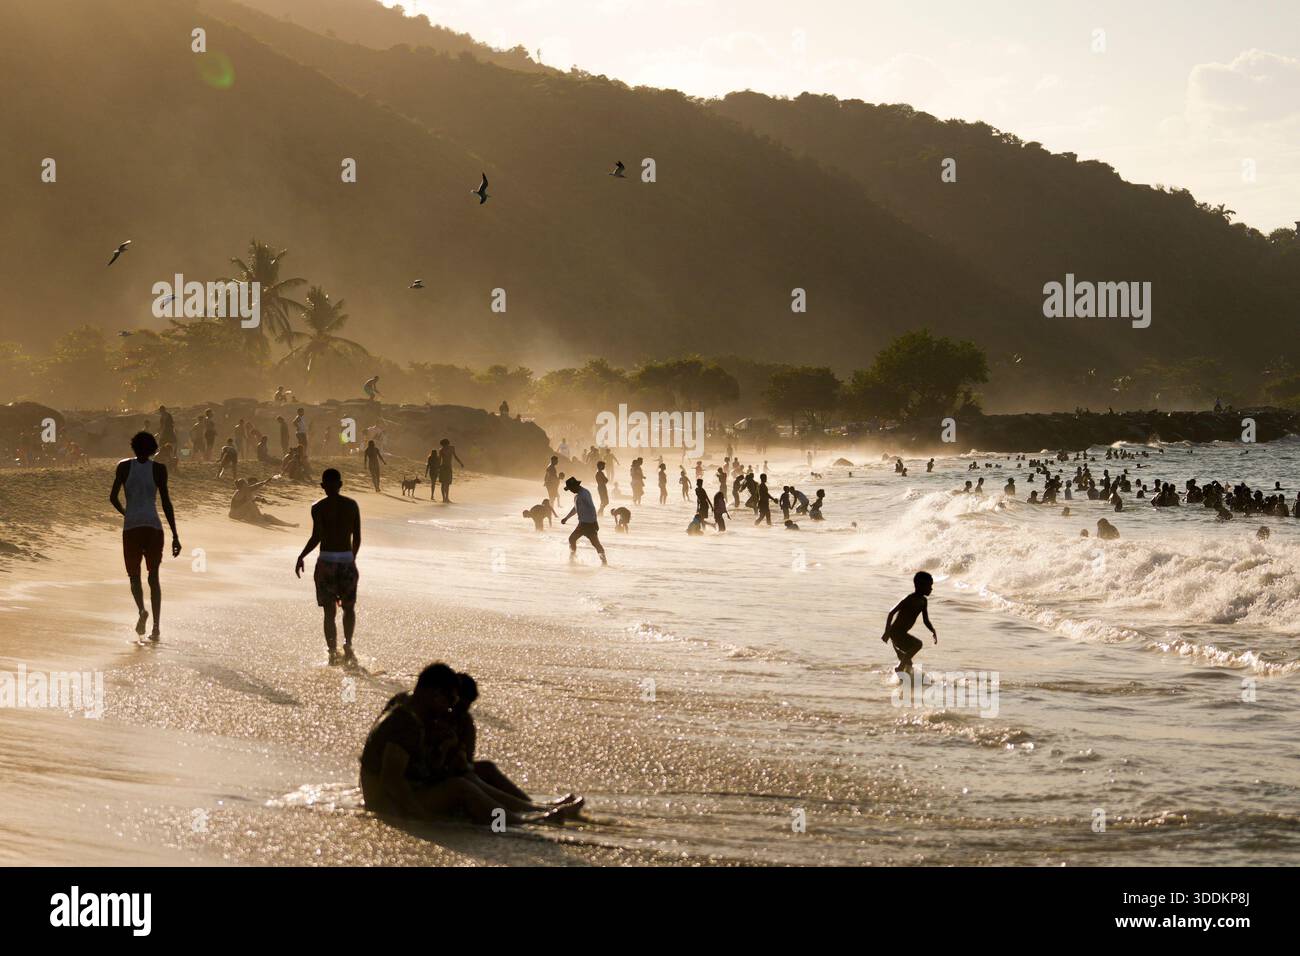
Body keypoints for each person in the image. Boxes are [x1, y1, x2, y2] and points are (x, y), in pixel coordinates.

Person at [358, 663, 572, 825]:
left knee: (471, 774)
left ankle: (531, 810)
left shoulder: (407, 704)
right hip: (386, 803)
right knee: (460, 787)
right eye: (450, 701)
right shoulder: (404, 723)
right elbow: (392, 780)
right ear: (434, 694)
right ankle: (514, 822)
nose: (450, 710)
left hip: (403, 790)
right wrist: (422, 818)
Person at [109, 431, 181, 641]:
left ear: (133, 446)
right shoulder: (159, 469)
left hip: (131, 527)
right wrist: (175, 535)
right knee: (154, 577)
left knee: (134, 576)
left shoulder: (123, 466)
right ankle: (156, 628)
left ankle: (141, 611)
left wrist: (127, 513)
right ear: (153, 449)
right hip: (153, 527)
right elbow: (166, 502)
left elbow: (113, 497)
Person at [294, 468, 362, 665]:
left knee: (329, 612)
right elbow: (357, 537)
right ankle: (348, 645)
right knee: (348, 609)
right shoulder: (351, 505)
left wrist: (301, 555)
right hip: (346, 561)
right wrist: (351, 559)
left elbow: (317, 536)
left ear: (323, 486)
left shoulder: (318, 507)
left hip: (326, 563)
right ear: (341, 484)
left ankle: (333, 651)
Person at [881, 571, 937, 675]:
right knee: (918, 644)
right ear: (920, 585)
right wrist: (886, 632)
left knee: (908, 664)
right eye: (929, 586)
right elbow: (891, 613)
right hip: (896, 633)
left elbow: (926, 620)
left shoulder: (924, 601)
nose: (931, 588)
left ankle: (900, 681)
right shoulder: (909, 599)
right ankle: (899, 668)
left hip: (902, 634)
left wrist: (932, 630)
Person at [560, 476, 606, 564]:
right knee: (574, 539)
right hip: (583, 523)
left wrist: (595, 522)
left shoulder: (584, 494)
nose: (570, 491)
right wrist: (566, 518)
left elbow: (592, 508)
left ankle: (572, 559)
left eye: (570, 488)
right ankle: (573, 558)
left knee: (594, 543)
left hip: (588, 524)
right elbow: (576, 508)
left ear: (575, 486)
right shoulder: (577, 495)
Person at [230, 477, 296, 527]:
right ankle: (260, 520)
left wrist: (261, 499)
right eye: (246, 483)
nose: (247, 483)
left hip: (242, 514)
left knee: (268, 516)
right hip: (234, 515)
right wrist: (265, 481)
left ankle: (288, 524)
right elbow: (254, 487)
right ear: (243, 485)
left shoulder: (245, 491)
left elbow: (252, 497)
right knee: (250, 504)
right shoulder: (240, 492)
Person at [436, 438, 465, 503]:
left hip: (447, 468)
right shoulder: (442, 450)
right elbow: (439, 460)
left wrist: (460, 463)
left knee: (447, 483)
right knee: (443, 484)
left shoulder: (449, 449)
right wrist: (438, 468)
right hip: (444, 468)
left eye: (444, 445)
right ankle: (444, 498)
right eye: (443, 445)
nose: (444, 446)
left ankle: (446, 498)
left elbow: (455, 456)